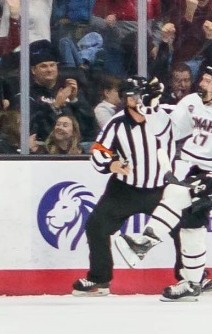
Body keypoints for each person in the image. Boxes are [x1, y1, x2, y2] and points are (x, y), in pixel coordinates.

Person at [112, 61, 212, 302]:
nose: (202, 83)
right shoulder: (192, 103)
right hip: (194, 169)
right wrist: (153, 108)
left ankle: (144, 242)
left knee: (176, 194)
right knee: (191, 222)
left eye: (209, 81)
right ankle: (192, 283)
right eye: (204, 79)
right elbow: (169, 133)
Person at [71, 77, 174, 296]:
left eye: (140, 95)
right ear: (123, 99)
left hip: (162, 189)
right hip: (125, 189)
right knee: (96, 227)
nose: (137, 100)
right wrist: (111, 163)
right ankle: (99, 279)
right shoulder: (116, 123)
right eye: (131, 96)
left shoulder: (165, 116)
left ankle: (192, 278)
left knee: (185, 229)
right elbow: (99, 150)